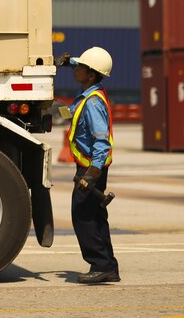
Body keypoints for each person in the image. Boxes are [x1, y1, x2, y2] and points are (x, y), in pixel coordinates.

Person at [58, 46, 120, 284]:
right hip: (90, 166)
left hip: (91, 167)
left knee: (82, 215)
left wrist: (92, 173)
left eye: (80, 67)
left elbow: (102, 141)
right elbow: (84, 66)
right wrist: (68, 62)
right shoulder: (91, 92)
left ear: (91, 75)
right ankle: (108, 266)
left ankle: (100, 265)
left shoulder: (93, 103)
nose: (77, 69)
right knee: (96, 215)